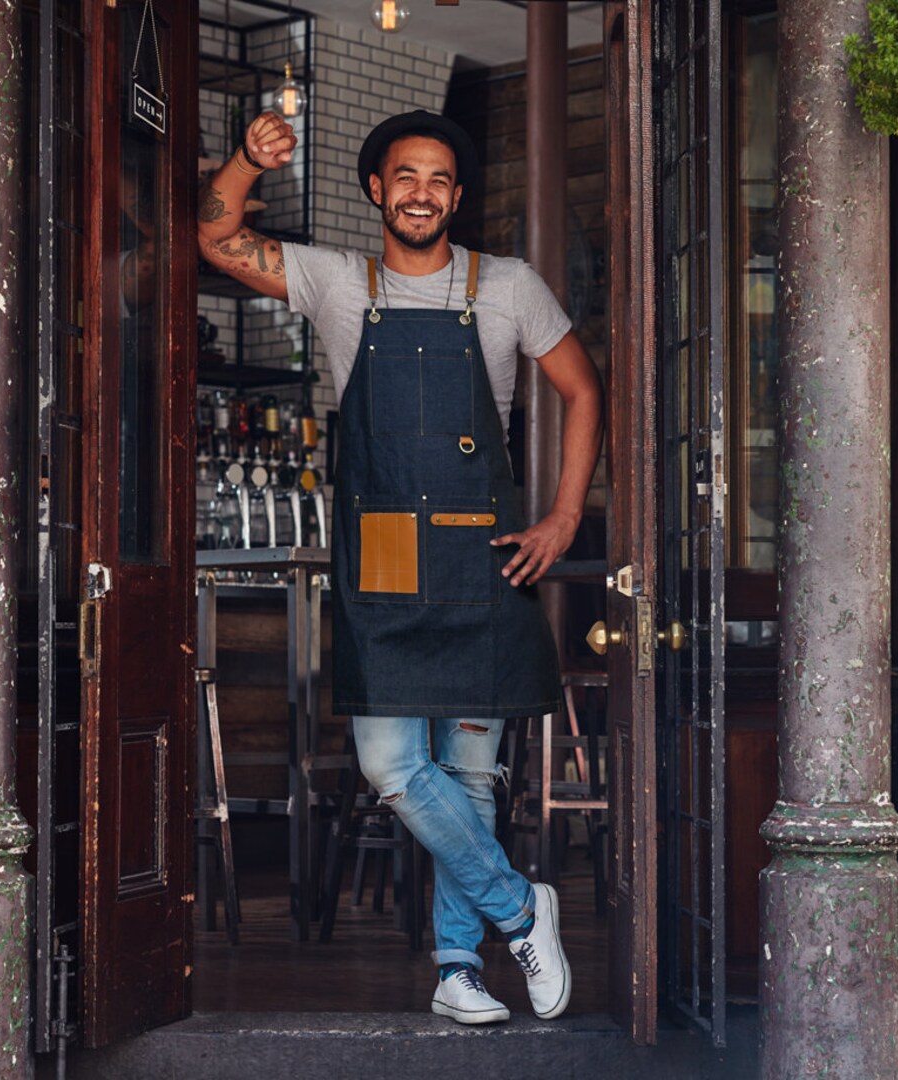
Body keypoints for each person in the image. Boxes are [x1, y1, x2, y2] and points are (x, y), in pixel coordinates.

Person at [198, 109, 603, 1025]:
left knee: (470, 774)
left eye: (439, 179)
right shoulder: (339, 280)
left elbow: (583, 390)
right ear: (377, 190)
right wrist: (245, 161)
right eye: (405, 177)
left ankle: (460, 968)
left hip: (480, 549)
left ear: (457, 197)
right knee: (390, 762)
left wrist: (564, 516)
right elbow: (215, 235)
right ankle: (517, 907)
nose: (422, 191)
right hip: (382, 549)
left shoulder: (508, 287)